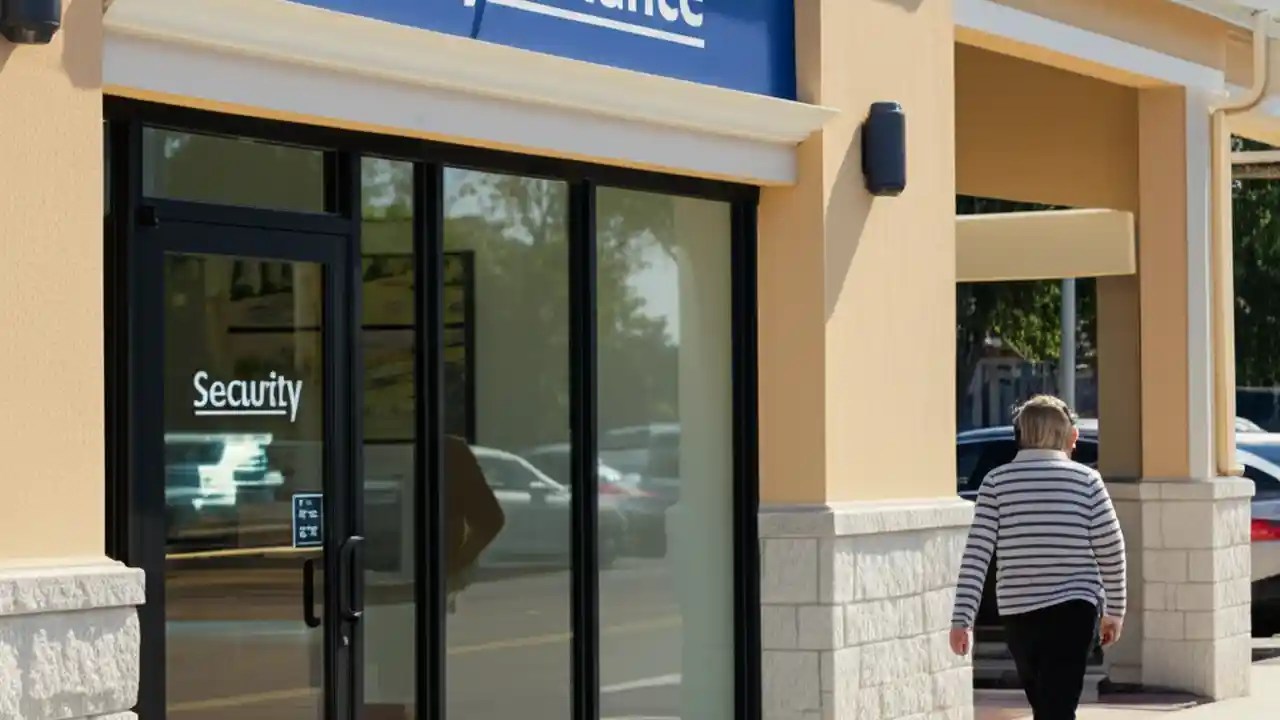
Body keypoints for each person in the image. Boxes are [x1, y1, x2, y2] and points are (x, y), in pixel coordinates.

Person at [949, 395, 1127, 720]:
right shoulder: (1087, 481)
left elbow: (977, 554)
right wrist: (1114, 610)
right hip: (1075, 609)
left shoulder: (996, 482)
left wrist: (962, 619)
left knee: (1050, 705)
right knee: (1052, 705)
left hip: (1019, 613)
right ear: (1065, 434)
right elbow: (1111, 548)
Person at [444, 434, 506, 611]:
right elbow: (490, 520)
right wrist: (454, 567)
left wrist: (455, 566)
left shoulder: (451, 451)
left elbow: (491, 520)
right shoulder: (450, 450)